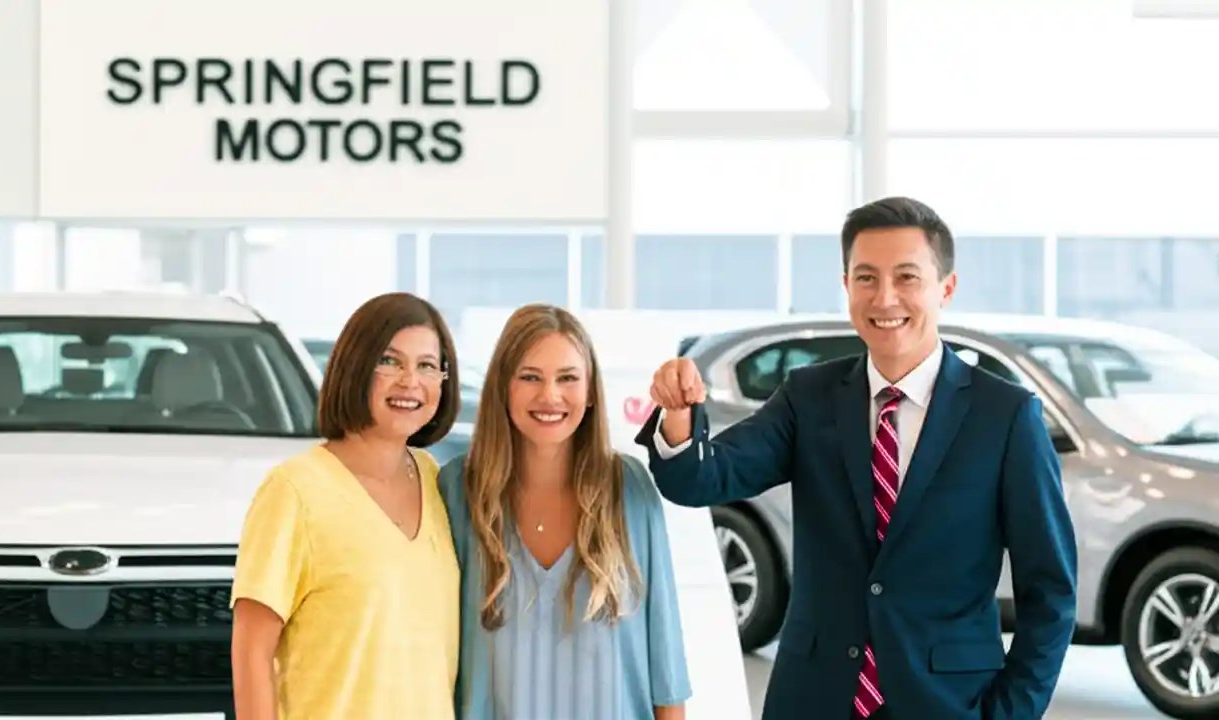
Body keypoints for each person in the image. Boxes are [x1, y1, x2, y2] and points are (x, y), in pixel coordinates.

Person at [636, 197, 1078, 720]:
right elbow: (700, 480)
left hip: (950, 704)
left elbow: (1049, 591)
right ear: (847, 285)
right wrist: (680, 417)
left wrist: (1008, 714)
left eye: (907, 277)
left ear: (946, 288)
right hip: (814, 698)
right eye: (866, 277)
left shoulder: (1004, 416)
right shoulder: (808, 397)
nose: (885, 296)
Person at [439, 303, 692, 720]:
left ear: (591, 391)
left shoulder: (628, 488)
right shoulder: (457, 492)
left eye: (568, 378)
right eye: (529, 377)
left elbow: (666, 667)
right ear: (503, 386)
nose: (550, 395)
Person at [230, 292, 462, 720]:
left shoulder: (436, 480)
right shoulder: (294, 490)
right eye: (389, 361)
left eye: (427, 365)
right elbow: (251, 652)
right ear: (355, 366)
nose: (410, 380)